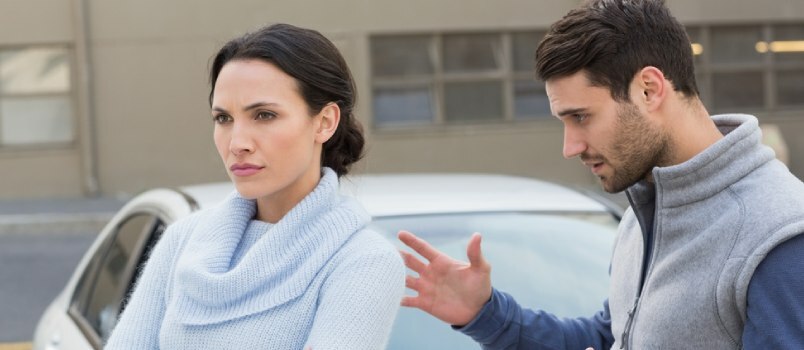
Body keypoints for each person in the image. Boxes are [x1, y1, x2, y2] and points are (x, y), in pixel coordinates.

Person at [398, 0, 804, 349]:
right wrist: (487, 314)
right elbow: (610, 337)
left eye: (581, 117)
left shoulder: (778, 237)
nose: (569, 146)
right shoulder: (644, 211)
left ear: (649, 89)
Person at [105, 23, 405, 349]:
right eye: (223, 119)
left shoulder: (361, 261)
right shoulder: (183, 240)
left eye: (263, 115)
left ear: (324, 122)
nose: (237, 143)